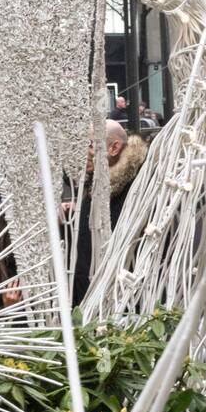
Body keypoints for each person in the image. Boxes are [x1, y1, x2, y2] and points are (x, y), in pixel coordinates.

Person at [66, 119, 147, 305]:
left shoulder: (137, 191)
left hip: (126, 303)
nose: (81, 151)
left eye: (89, 144)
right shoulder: (91, 188)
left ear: (114, 147)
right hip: (90, 300)